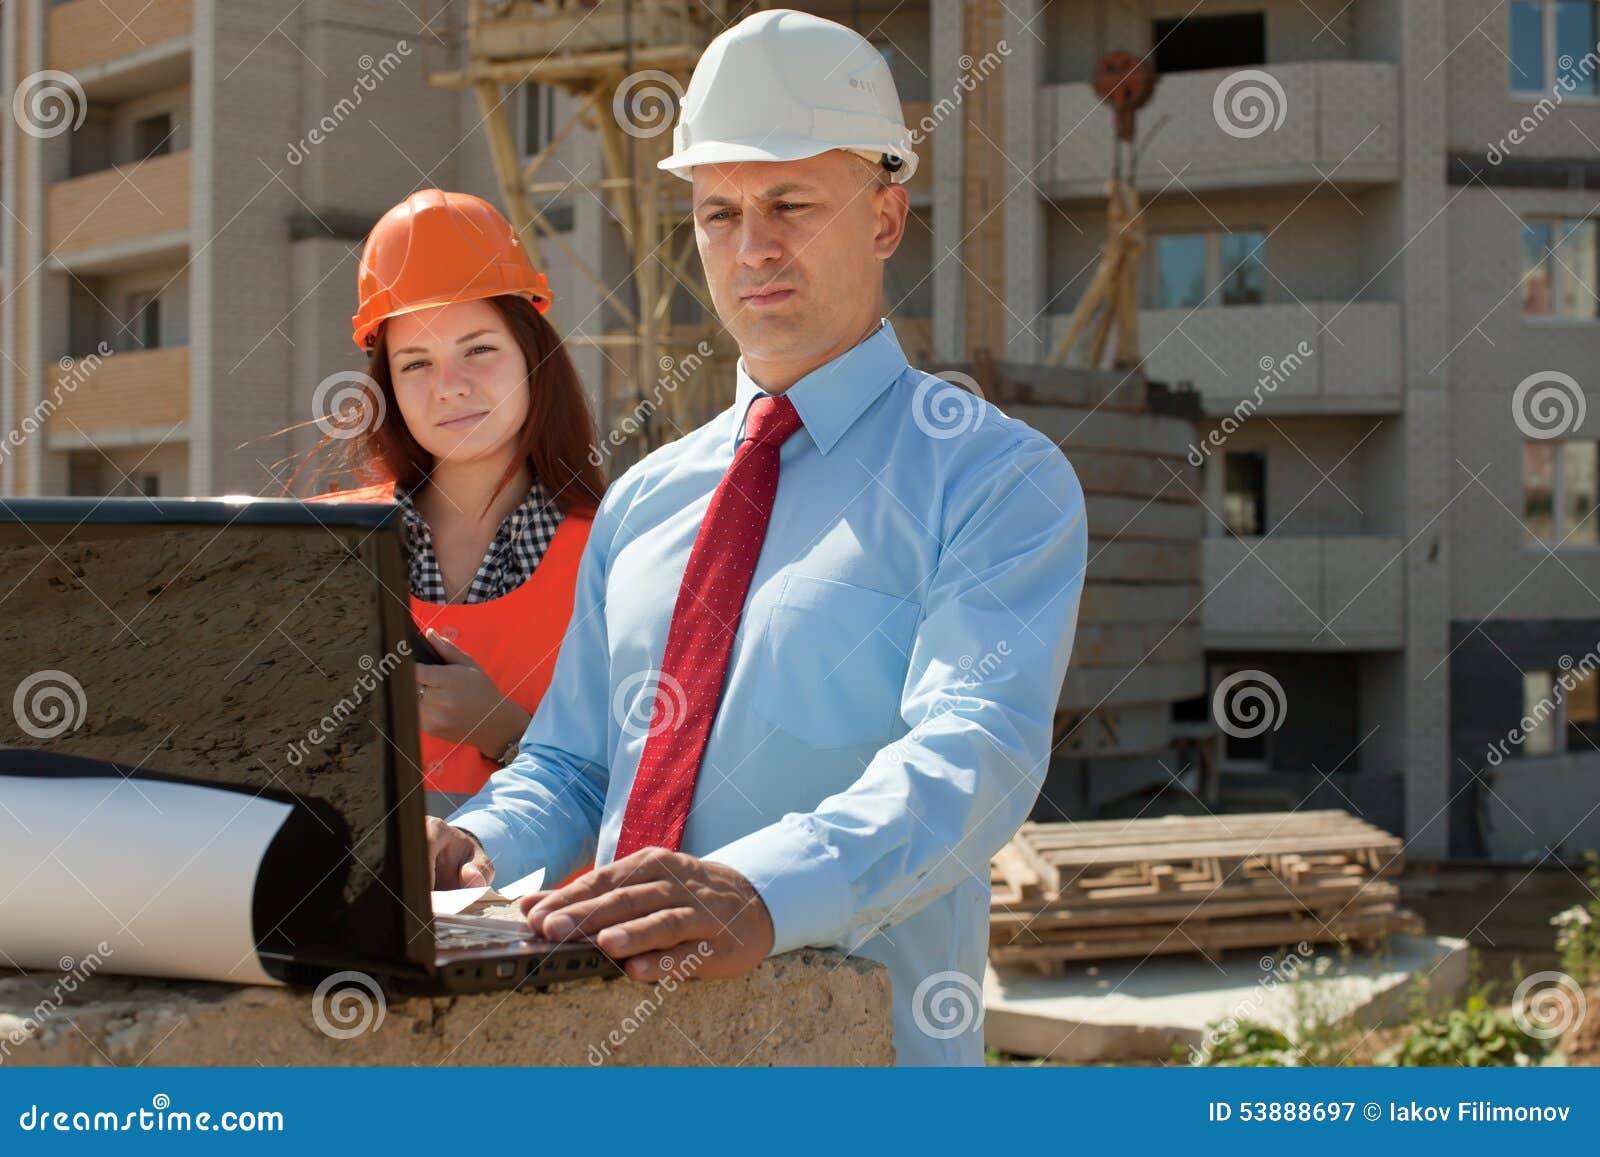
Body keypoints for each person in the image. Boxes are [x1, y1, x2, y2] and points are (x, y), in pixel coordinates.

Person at [426, 9, 1087, 1065]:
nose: (752, 247)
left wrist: (764, 890)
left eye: (789, 203)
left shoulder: (990, 477)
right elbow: (574, 761)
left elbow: (975, 752)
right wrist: (476, 838)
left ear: (883, 217)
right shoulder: (645, 501)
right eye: (718, 212)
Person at [308, 189, 606, 820]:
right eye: (415, 363)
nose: (450, 388)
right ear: (387, 382)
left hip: (546, 917)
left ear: (533, 355)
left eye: (478, 349)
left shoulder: (621, 548)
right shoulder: (322, 541)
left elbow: (658, 793)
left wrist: (505, 733)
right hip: (351, 913)